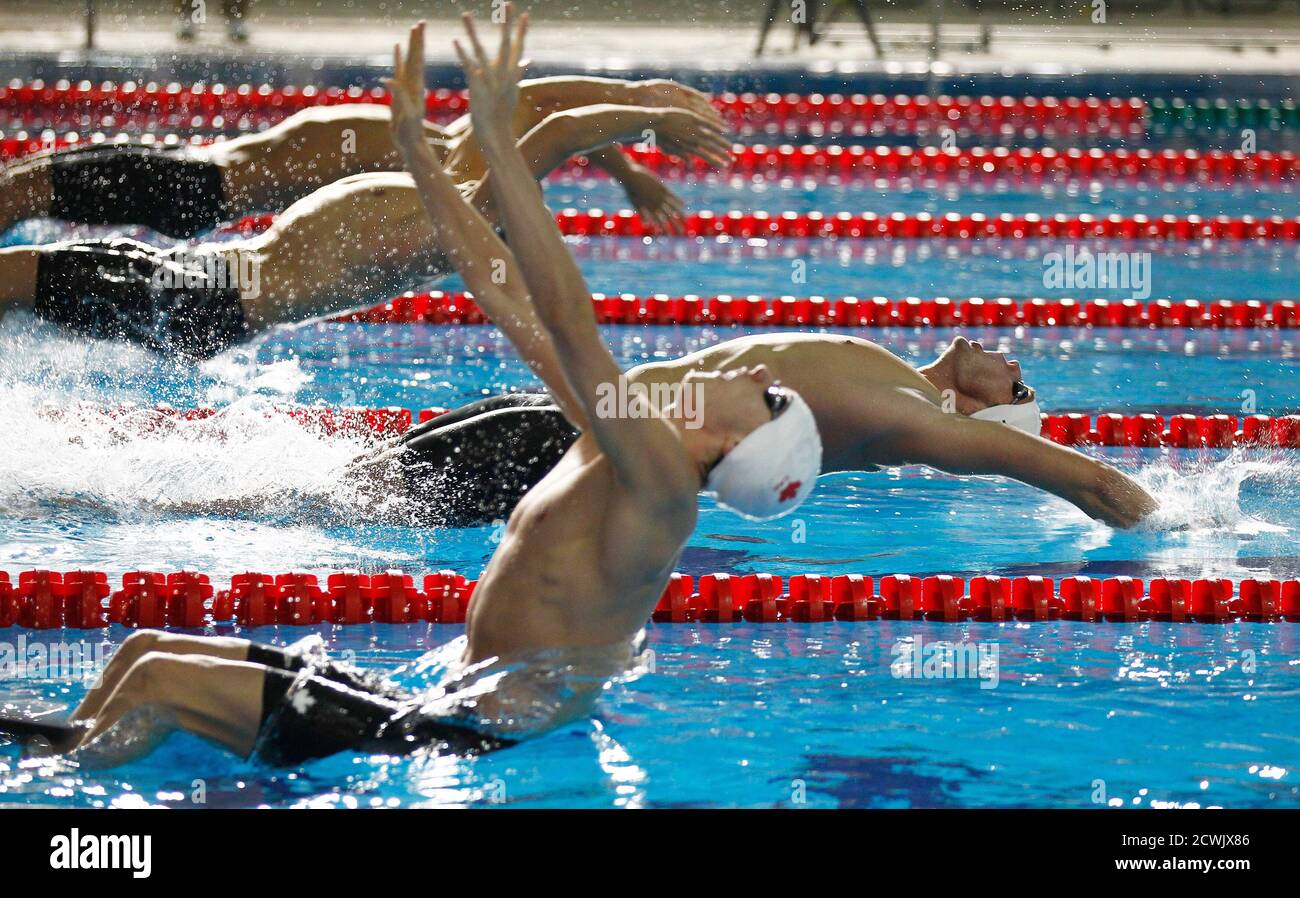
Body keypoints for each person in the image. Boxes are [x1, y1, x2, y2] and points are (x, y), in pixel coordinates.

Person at [0, 11, 822, 767]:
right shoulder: (619, 450)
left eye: (769, 397)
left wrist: (506, 143)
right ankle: (53, 755)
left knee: (153, 687)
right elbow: (508, 295)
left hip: (456, 738)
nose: (755, 372)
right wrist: (424, 153)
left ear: (735, 446)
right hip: (435, 704)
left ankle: (49, 784)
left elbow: (570, 322)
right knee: (140, 653)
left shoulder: (660, 484)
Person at [0, 87, 729, 358]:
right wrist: (635, 153)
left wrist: (652, 112)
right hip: (205, 286)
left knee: (23, 215)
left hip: (201, 295)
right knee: (21, 240)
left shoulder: (469, 208)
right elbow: (549, 111)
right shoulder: (455, 179)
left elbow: (559, 126)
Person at [355, 332, 1158, 529]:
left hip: (563, 452)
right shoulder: (900, 383)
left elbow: (1088, 482)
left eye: (1017, 384)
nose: (1009, 356)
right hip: (571, 419)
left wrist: (1198, 524)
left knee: (323, 501)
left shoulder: (914, 419)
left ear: (988, 415)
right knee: (340, 482)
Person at [0, 74, 717, 238]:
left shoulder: (457, 159)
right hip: (195, 173)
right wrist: (631, 169)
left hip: (198, 187)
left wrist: (642, 100)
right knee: (22, 185)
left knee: (23, 190)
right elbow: (564, 118)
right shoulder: (450, 143)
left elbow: (552, 110)